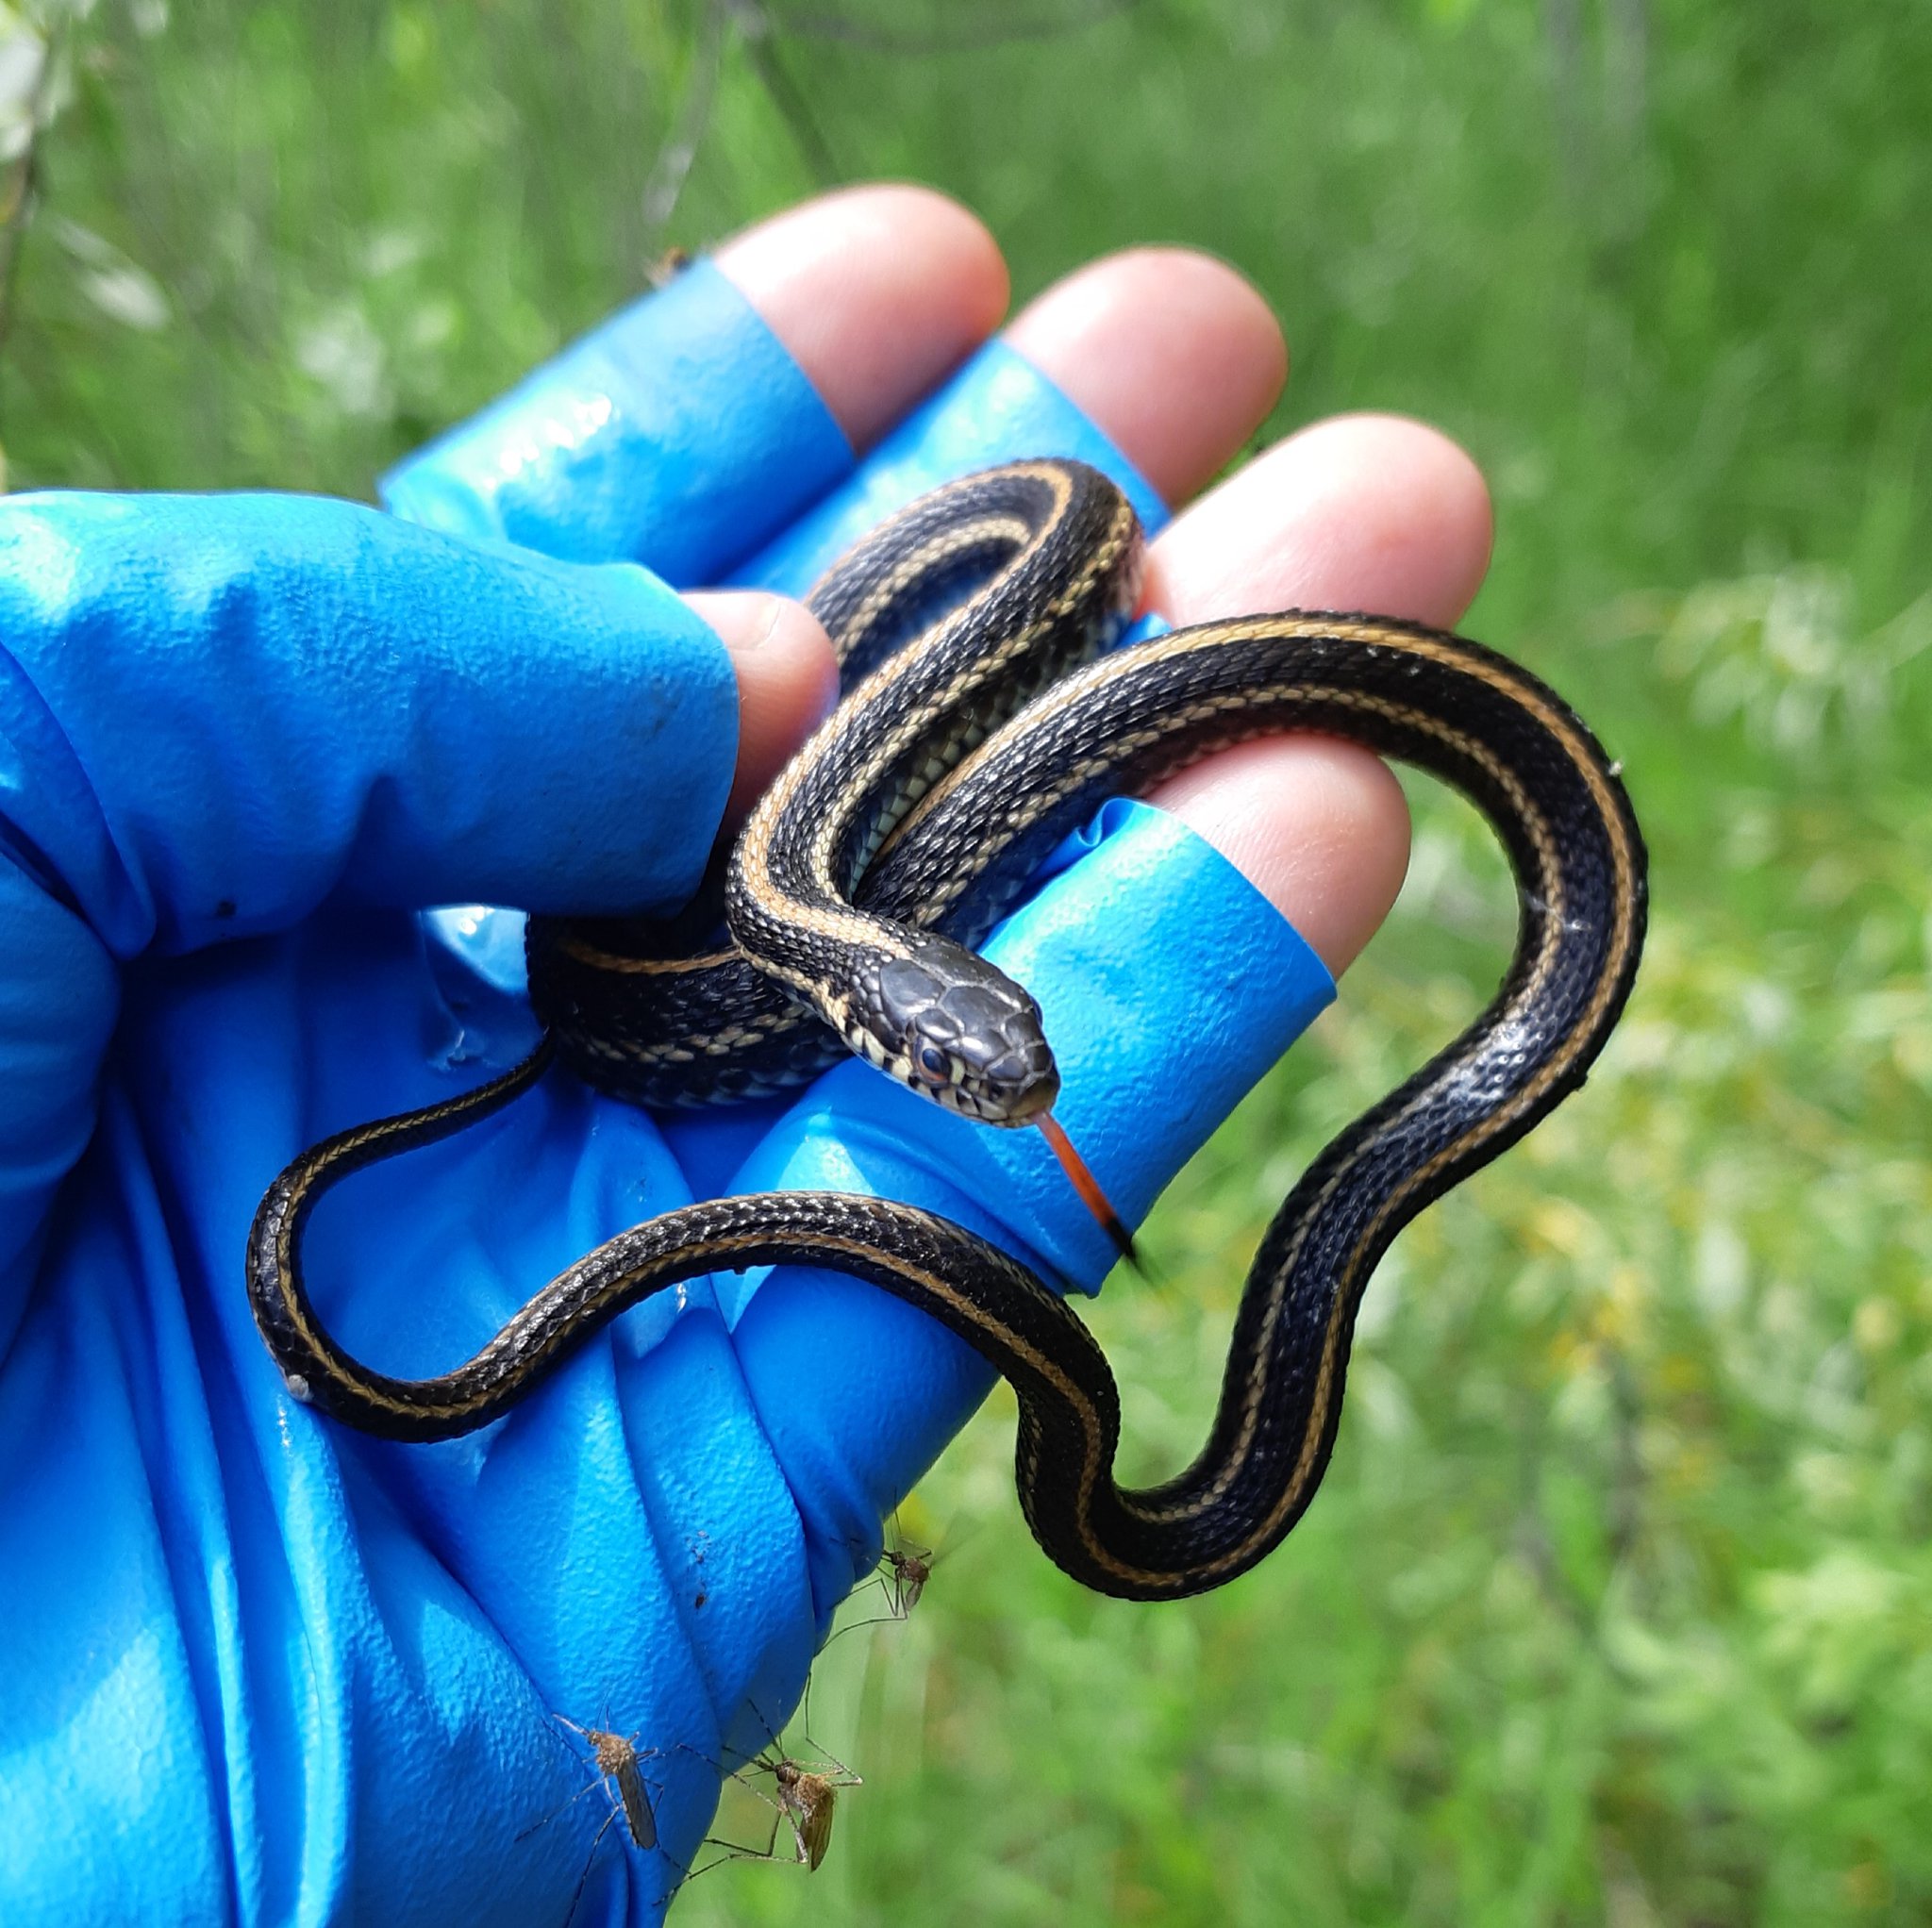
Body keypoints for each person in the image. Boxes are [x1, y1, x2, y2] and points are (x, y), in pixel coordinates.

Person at [0, 184, 1492, 1923]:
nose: (1007, 1086)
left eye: (991, 1061)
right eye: (964, 1072)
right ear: (878, 1023)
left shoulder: (878, 839)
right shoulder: (779, 932)